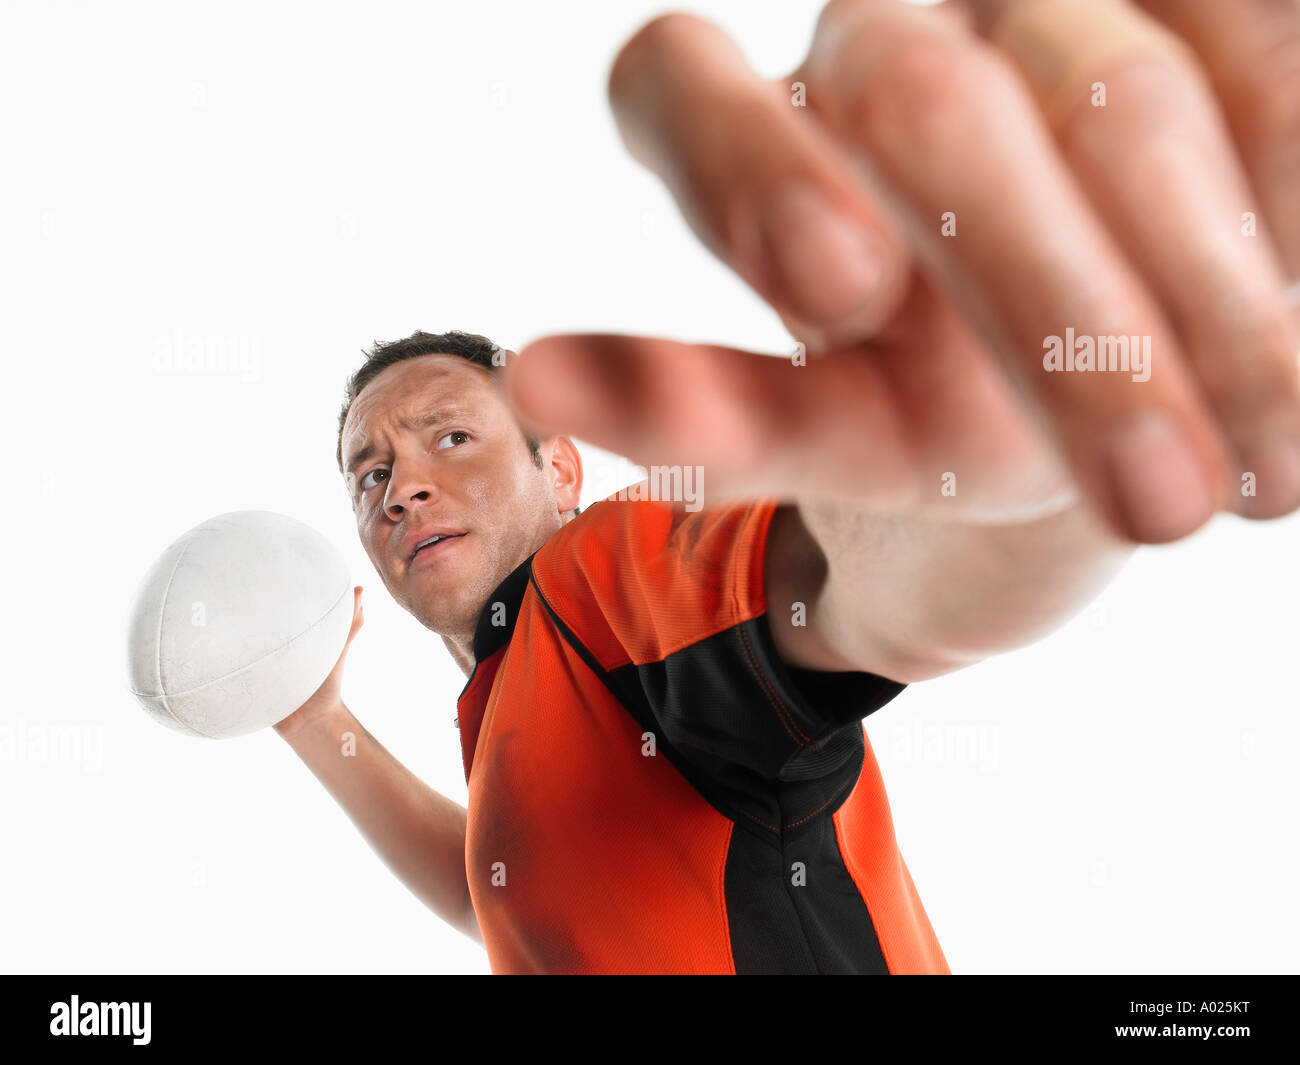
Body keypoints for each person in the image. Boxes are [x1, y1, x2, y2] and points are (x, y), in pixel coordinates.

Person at [275, 0, 1300, 974]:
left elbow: (854, 602)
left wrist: (1023, 481)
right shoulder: (510, 696)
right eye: (369, 472)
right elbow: (489, 889)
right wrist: (312, 717)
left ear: (561, 467)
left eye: (448, 436)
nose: (400, 486)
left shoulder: (597, 582)